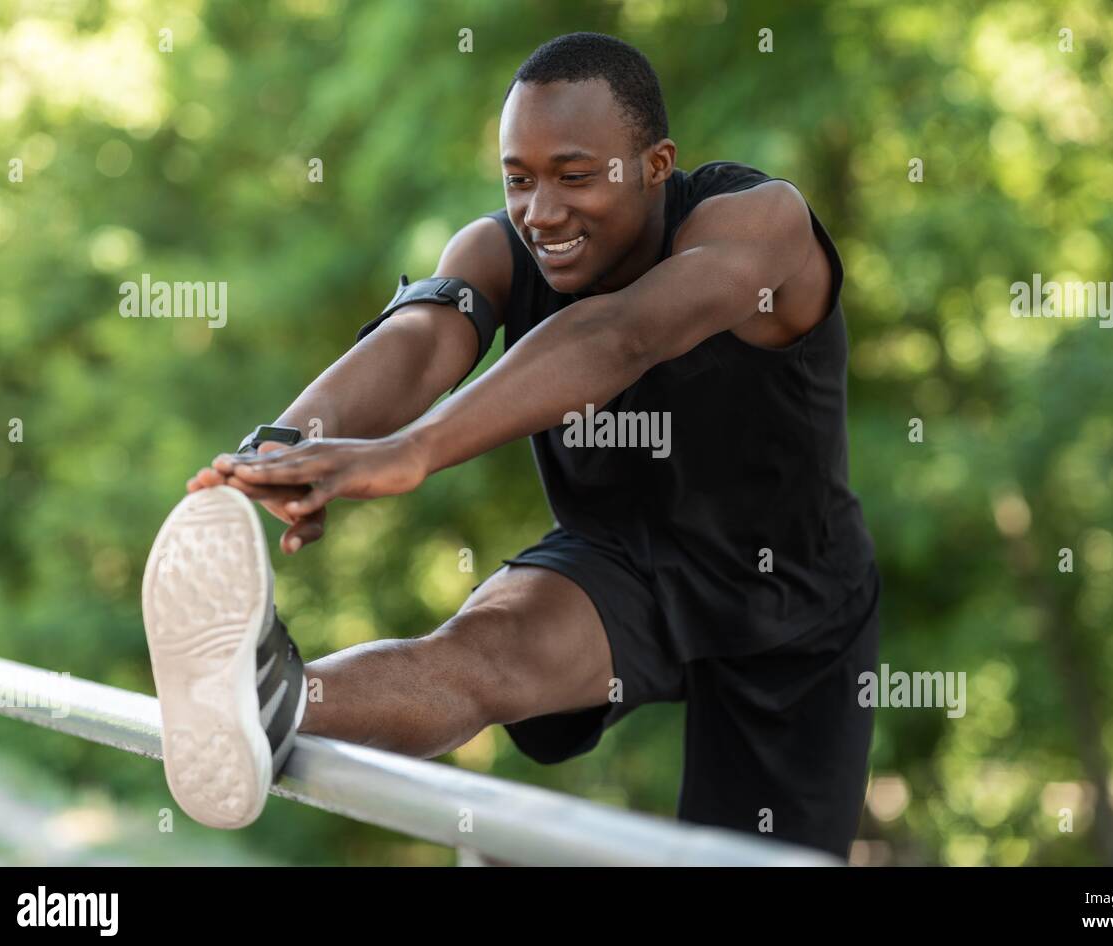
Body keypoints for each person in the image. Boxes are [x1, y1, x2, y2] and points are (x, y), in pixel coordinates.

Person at [143, 31, 880, 858]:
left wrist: (412, 451)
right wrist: (282, 444)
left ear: (657, 164)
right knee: (481, 654)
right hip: (622, 560)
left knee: (766, 860)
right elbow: (418, 343)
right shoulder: (494, 251)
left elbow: (619, 337)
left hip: (795, 597)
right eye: (518, 179)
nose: (542, 212)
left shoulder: (761, 223)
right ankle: (265, 699)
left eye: (574, 177)